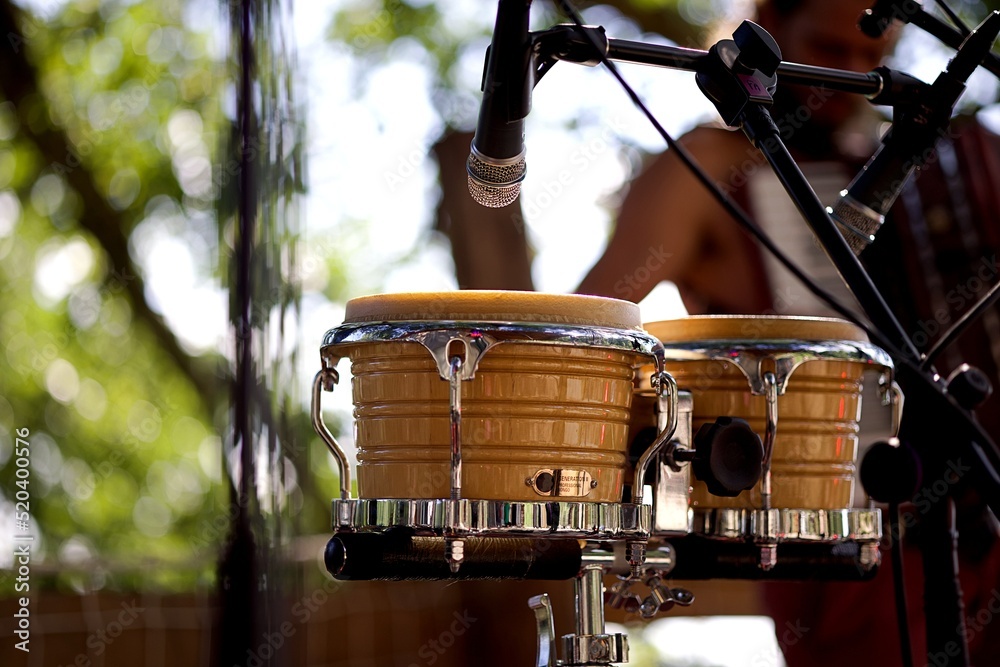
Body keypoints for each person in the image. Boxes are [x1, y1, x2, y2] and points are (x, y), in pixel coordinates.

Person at [577, 0, 1000, 665]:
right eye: (831, 51)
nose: (854, 74)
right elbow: (586, 328)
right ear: (768, 29)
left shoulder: (909, 166)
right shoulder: (708, 166)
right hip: (843, 537)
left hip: (986, 518)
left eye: (871, 59)